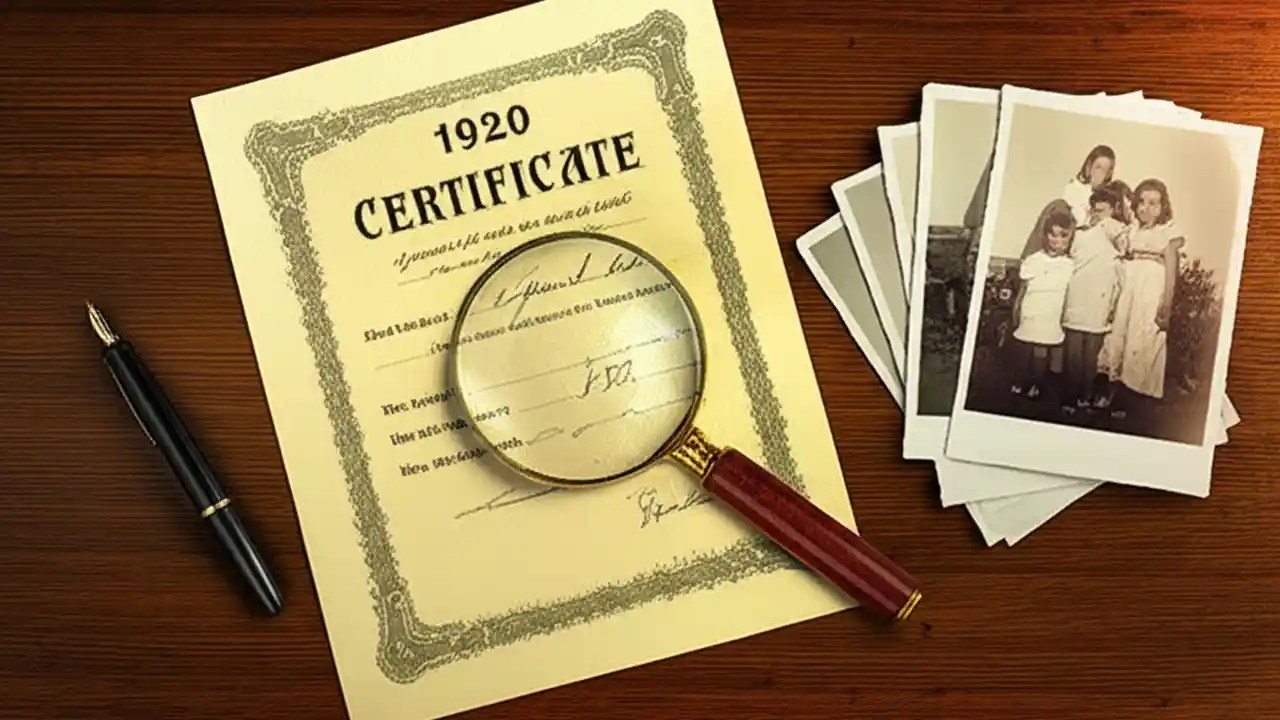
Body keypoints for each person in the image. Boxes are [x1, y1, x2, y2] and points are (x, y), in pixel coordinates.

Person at [1097, 178, 1185, 414]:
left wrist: (1167, 302)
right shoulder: (1133, 231)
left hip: (1151, 288)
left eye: (1154, 203)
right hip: (1130, 286)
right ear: (1135, 205)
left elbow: (1171, 269)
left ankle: (1132, 397)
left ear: (1163, 206)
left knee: (1142, 337)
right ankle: (1113, 388)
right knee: (1119, 334)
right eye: (1142, 203)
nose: (1147, 208)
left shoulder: (1166, 232)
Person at [1060, 184, 1129, 413]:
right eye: (1095, 210)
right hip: (1076, 297)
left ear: (1113, 209)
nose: (1099, 215)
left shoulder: (1116, 230)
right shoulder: (1080, 232)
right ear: (1090, 209)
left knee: (1091, 357)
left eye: (1104, 210)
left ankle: (1085, 396)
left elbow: (1124, 244)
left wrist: (1109, 223)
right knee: (1073, 355)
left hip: (1100, 300)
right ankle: (1069, 398)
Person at [1010, 202, 1076, 399]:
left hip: (1051, 312)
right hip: (1033, 309)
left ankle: (1036, 385)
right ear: (1046, 235)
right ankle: (1021, 381)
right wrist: (1018, 308)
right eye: (1053, 234)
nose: (1057, 240)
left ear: (1070, 238)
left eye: (1063, 236)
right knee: (1025, 348)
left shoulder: (1069, 265)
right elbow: (1024, 287)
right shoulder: (1034, 259)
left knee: (1041, 350)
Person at [1062, 145, 1117, 228]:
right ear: (1089, 167)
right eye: (1098, 167)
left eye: (1106, 170)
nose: (1102, 174)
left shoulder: (1109, 195)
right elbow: (1076, 221)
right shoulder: (1073, 189)